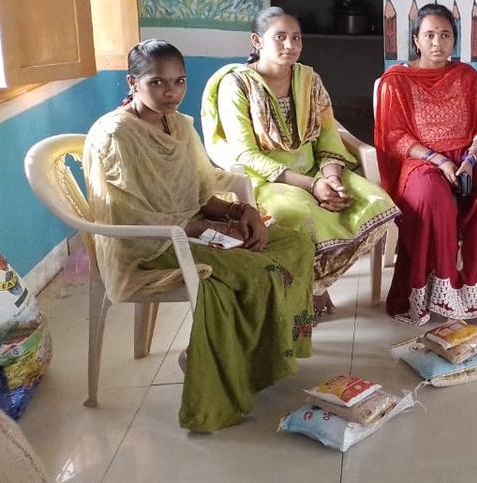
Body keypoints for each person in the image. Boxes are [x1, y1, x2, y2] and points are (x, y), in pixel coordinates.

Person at [84, 40, 315, 432]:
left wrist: (245, 213)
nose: (171, 92)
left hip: (192, 229)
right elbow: (127, 216)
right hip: (149, 245)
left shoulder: (179, 125)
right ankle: (225, 371)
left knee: (294, 244)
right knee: (253, 271)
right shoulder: (115, 136)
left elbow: (201, 190)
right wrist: (198, 229)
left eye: (179, 81)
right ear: (132, 82)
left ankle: (268, 352)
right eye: (157, 82)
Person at [201, 7, 400, 317]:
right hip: (264, 179)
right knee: (298, 214)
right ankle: (312, 289)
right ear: (257, 41)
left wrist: (331, 178)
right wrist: (311, 186)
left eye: (296, 38)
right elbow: (245, 154)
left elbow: (329, 137)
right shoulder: (237, 85)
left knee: (375, 201)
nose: (289, 45)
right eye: (279, 37)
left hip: (314, 171)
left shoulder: (309, 79)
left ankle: (316, 283)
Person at [375, 4, 477, 325]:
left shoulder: (467, 76)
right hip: (421, 161)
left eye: (445, 35)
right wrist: (437, 159)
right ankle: (436, 289)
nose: (437, 42)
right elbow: (395, 137)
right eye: (429, 35)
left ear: (455, 40)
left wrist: (468, 160)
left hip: (468, 158)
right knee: (432, 199)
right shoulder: (395, 81)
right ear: (416, 40)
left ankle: (476, 289)